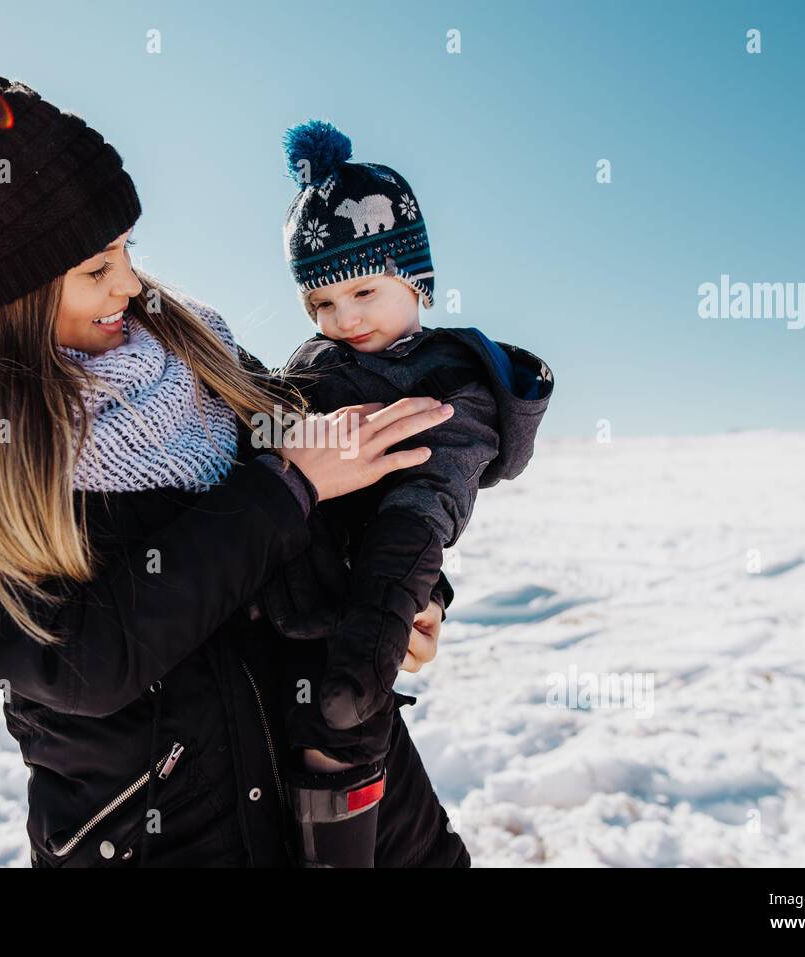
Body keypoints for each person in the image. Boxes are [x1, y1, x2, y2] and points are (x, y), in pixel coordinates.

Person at [0, 10, 469, 867]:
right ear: (7, 292)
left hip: (368, 812)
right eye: (92, 270)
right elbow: (78, 662)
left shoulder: (192, 351)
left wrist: (417, 588)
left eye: (126, 248)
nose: (130, 286)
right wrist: (285, 488)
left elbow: (349, 469)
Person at [251, 120, 555, 866]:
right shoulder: (315, 368)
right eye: (321, 302)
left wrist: (405, 607)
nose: (343, 317)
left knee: (401, 551)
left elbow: (425, 503)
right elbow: (263, 438)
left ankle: (350, 739)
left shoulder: (451, 377)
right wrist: (272, 437)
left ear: (414, 280)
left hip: (388, 561)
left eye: (362, 290)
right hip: (286, 599)